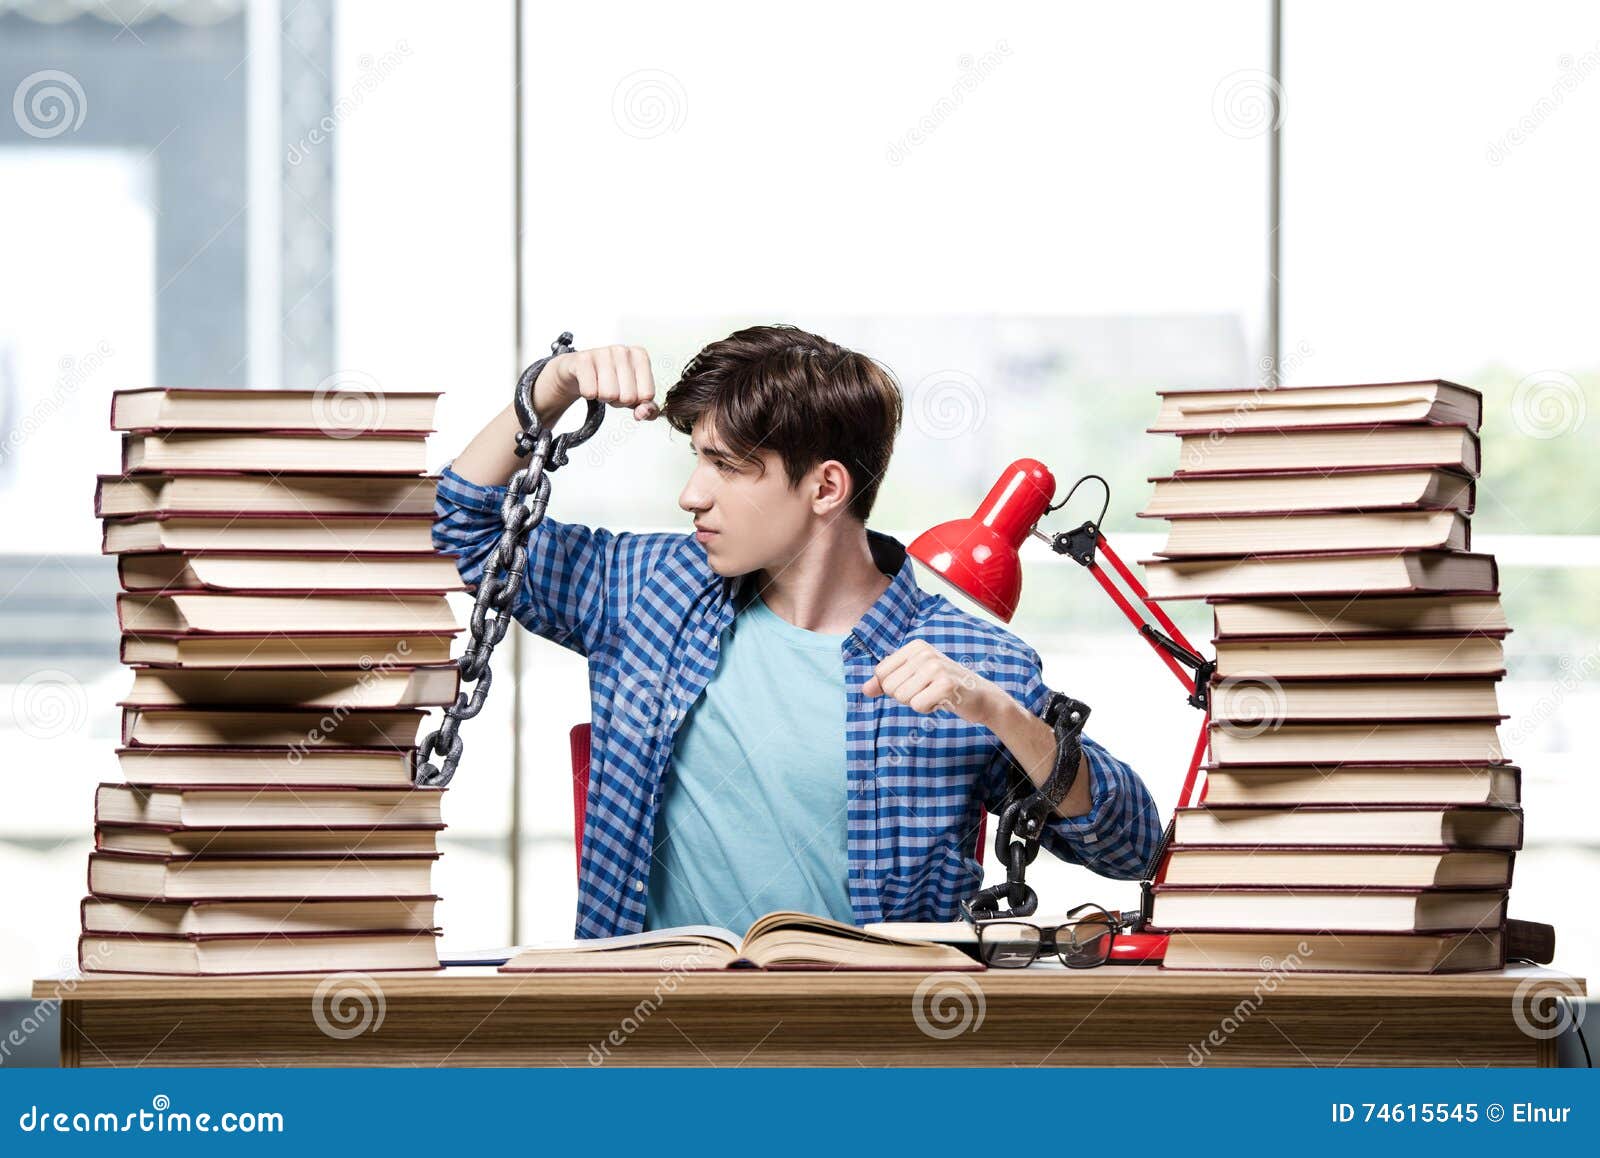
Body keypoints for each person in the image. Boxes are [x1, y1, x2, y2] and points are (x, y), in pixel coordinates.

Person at [435, 324, 1161, 939]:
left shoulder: (970, 660)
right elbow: (463, 529)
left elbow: (1131, 848)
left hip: (866, 1046)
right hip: (649, 1035)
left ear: (825, 488)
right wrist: (550, 389)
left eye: (725, 466)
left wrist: (1003, 715)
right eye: (698, 459)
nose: (692, 494)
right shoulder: (644, 588)